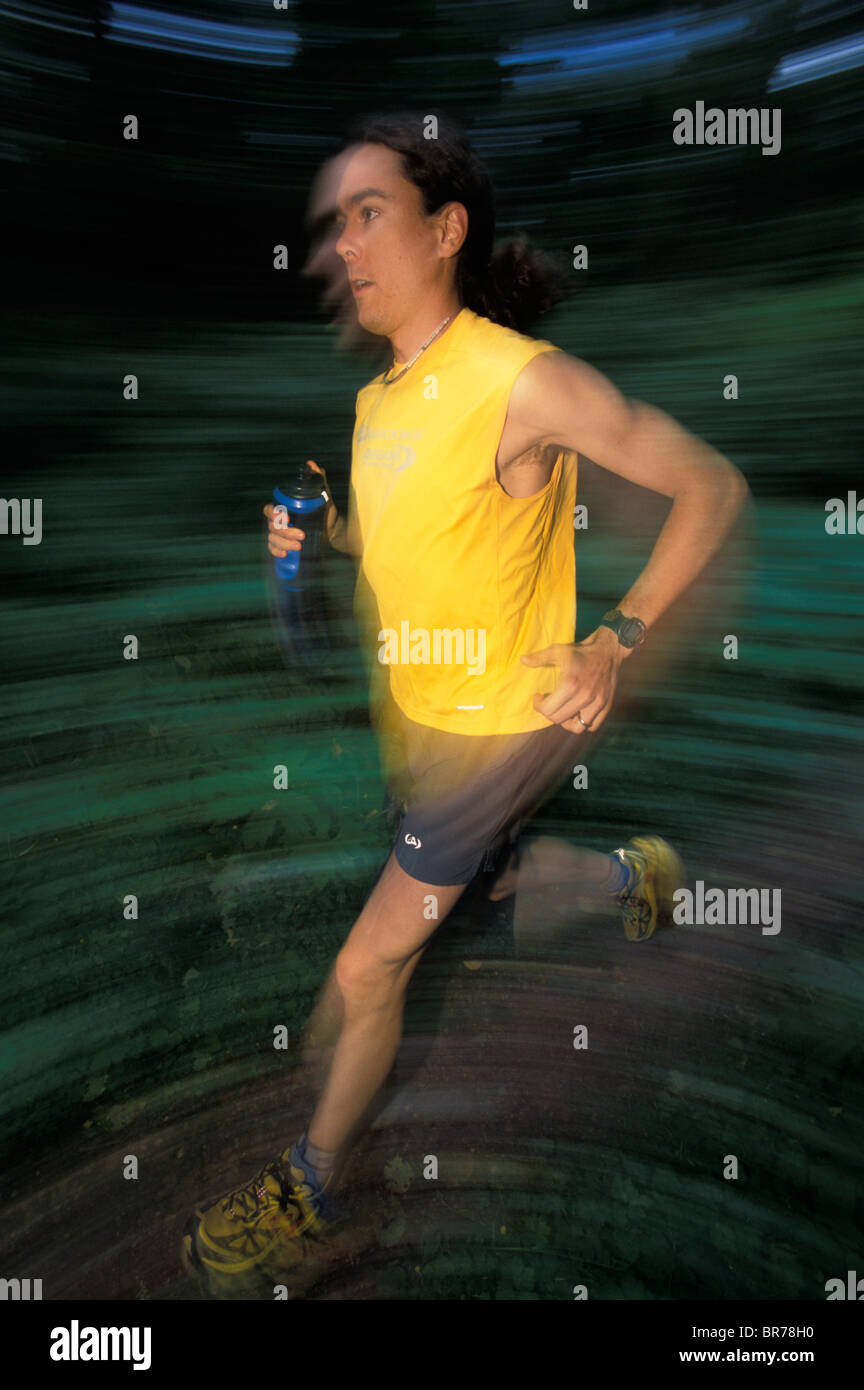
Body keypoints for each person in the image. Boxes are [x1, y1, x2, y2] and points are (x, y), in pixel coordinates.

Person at [183, 111, 749, 1291]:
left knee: (367, 969)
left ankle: (313, 1182)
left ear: (445, 230)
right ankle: (627, 877)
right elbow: (394, 534)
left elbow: (708, 482)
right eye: (333, 222)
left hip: (501, 726)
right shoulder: (386, 396)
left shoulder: (521, 380)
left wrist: (615, 637)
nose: (342, 244)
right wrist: (318, 531)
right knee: (482, 893)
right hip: (423, 724)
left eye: (370, 212)